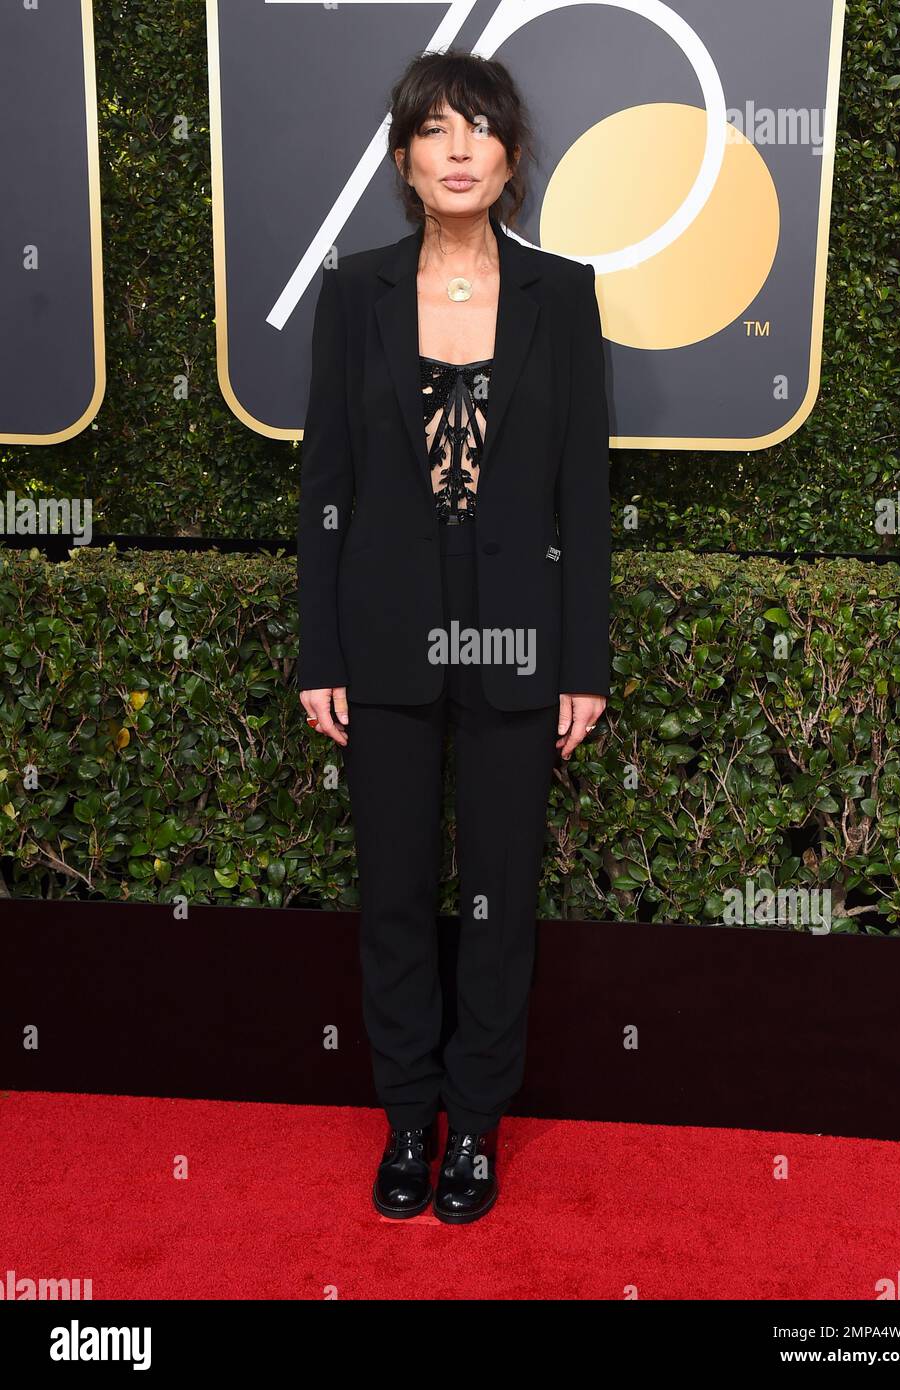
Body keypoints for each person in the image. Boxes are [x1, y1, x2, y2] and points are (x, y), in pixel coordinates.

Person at [298, 50, 611, 1224]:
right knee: (391, 893)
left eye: (480, 128)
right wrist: (317, 651)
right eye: (435, 130)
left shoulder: (560, 296)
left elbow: (582, 493)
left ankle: (474, 1130)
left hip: (520, 646)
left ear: (510, 158)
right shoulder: (357, 291)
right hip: (381, 645)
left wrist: (584, 661)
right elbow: (322, 481)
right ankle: (406, 1121)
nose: (460, 148)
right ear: (403, 162)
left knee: (496, 896)